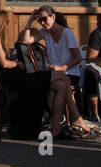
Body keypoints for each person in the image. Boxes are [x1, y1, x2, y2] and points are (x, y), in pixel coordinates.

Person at [20, 7, 96, 138]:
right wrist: (29, 22)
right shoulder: (44, 32)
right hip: (55, 73)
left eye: (45, 19)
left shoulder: (66, 33)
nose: (43, 23)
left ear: (53, 17)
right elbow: (26, 41)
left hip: (70, 71)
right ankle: (59, 126)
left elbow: (78, 58)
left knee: (62, 79)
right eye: (40, 21)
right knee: (61, 85)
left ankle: (73, 119)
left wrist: (62, 68)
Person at [0, 9, 51, 140]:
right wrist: (17, 63)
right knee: (33, 84)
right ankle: (28, 126)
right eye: (6, 22)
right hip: (3, 79)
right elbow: (3, 63)